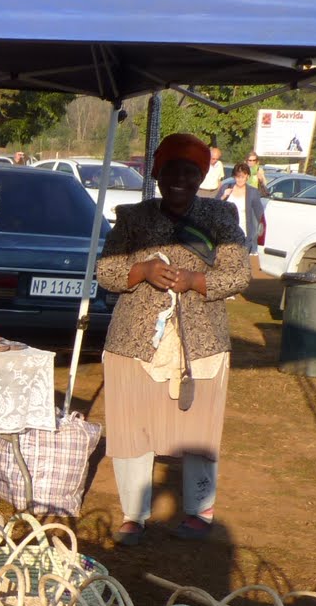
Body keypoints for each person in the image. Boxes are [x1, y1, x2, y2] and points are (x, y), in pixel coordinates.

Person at [95, 132, 250, 544]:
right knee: (132, 426)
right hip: (134, 340)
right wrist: (141, 271)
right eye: (171, 171)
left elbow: (239, 275)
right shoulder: (134, 218)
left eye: (189, 172)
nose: (180, 179)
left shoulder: (220, 218)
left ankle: (199, 509)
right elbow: (106, 272)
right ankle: (134, 513)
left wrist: (197, 280)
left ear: (201, 176)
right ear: (157, 174)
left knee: (198, 429)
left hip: (201, 340)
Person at [215, 161, 266, 255]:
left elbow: (260, 216)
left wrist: (258, 238)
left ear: (247, 176)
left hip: (243, 235)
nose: (240, 179)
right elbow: (215, 207)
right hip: (225, 234)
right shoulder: (226, 188)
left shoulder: (253, 192)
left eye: (242, 177)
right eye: (238, 177)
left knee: (241, 260)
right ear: (234, 177)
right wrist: (223, 196)